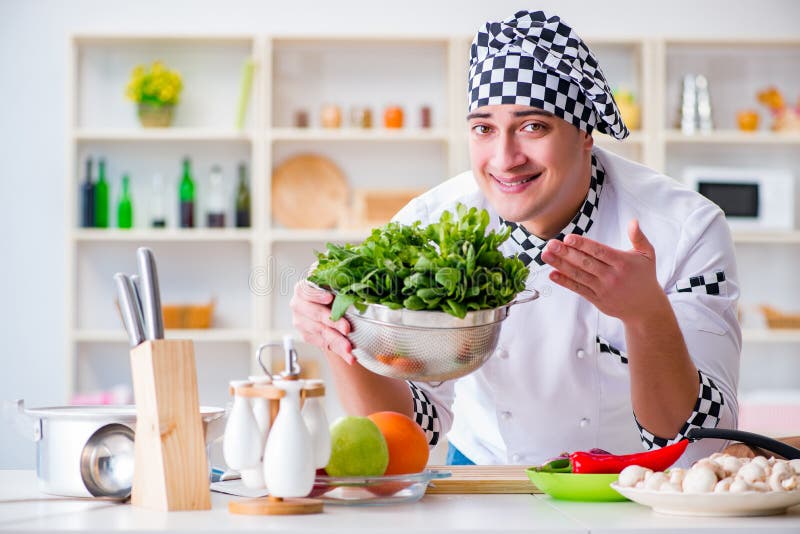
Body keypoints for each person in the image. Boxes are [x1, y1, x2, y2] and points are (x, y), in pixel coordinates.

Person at [291, 10, 740, 467]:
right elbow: (409, 431)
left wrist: (646, 315)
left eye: (532, 126)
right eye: (484, 128)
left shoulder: (686, 229)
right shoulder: (431, 229)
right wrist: (341, 330)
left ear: (585, 133)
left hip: (634, 480)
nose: (505, 158)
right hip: (486, 475)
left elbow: (703, 438)